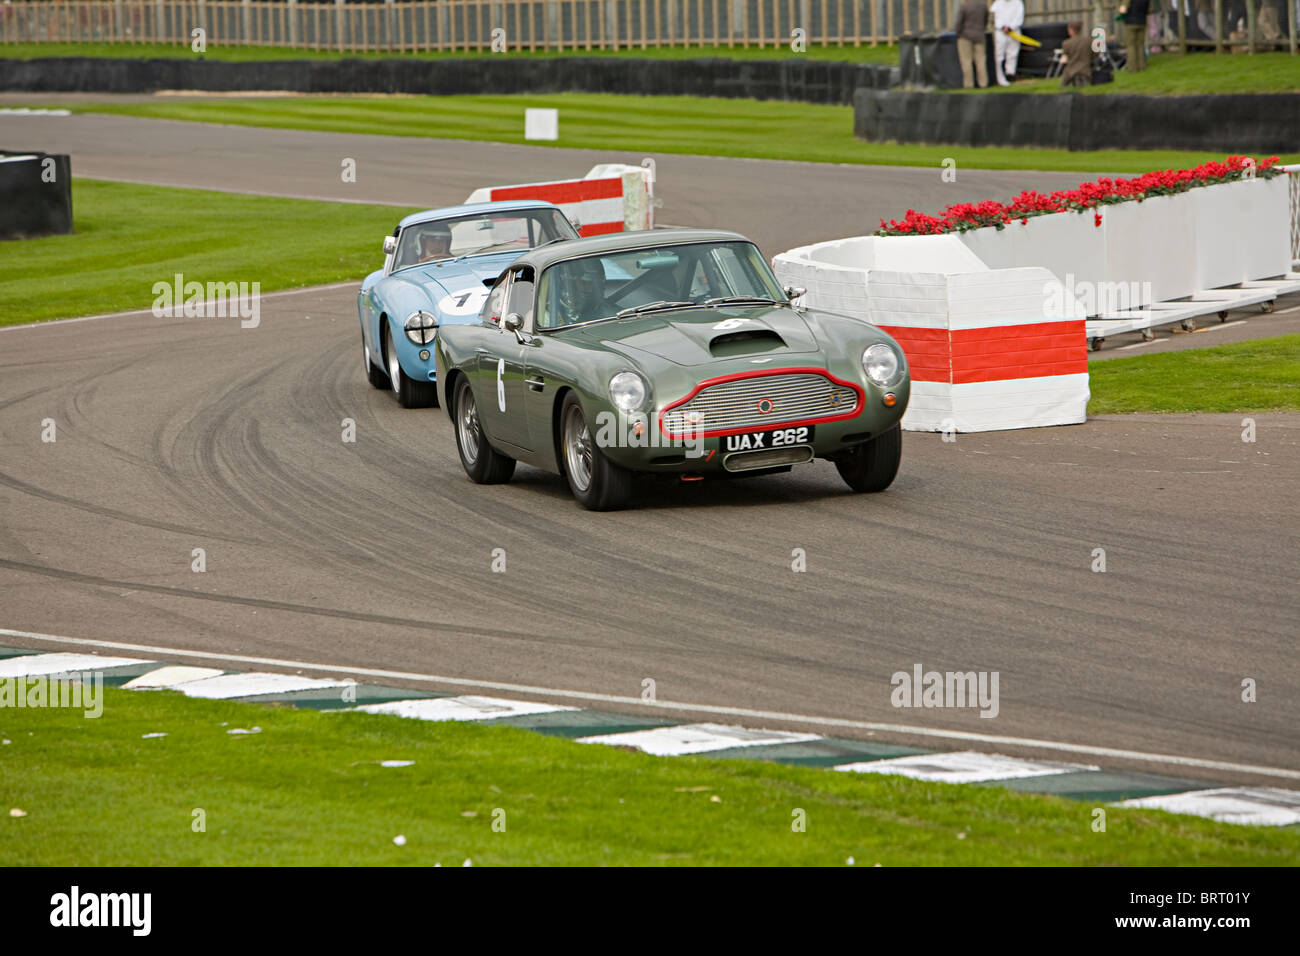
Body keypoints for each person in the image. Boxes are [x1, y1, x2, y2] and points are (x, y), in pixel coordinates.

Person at [954, 0, 990, 89]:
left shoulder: (964, 6)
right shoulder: (983, 6)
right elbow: (986, 20)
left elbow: (959, 23)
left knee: (966, 62)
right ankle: (983, 83)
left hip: (965, 36)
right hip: (980, 36)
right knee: (981, 61)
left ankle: (969, 85)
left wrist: (958, 33)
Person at [990, 0, 1026, 86]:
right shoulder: (997, 3)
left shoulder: (1018, 3)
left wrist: (1011, 27)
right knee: (999, 55)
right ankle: (1000, 77)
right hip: (1000, 32)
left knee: (1012, 53)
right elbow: (994, 17)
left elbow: (1019, 18)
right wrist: (1002, 27)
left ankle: (1010, 74)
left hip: (1014, 31)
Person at [1119, 0, 1151, 71]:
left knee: (1131, 45)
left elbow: (1122, 10)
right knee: (1140, 45)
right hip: (1142, 22)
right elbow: (1149, 10)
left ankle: (1132, 67)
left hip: (1131, 23)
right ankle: (1142, 66)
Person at [1060, 21, 1093, 87]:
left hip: (1070, 73)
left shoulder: (1066, 43)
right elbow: (1095, 55)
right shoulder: (1089, 41)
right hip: (1085, 71)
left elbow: (1064, 58)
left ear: (1071, 30)